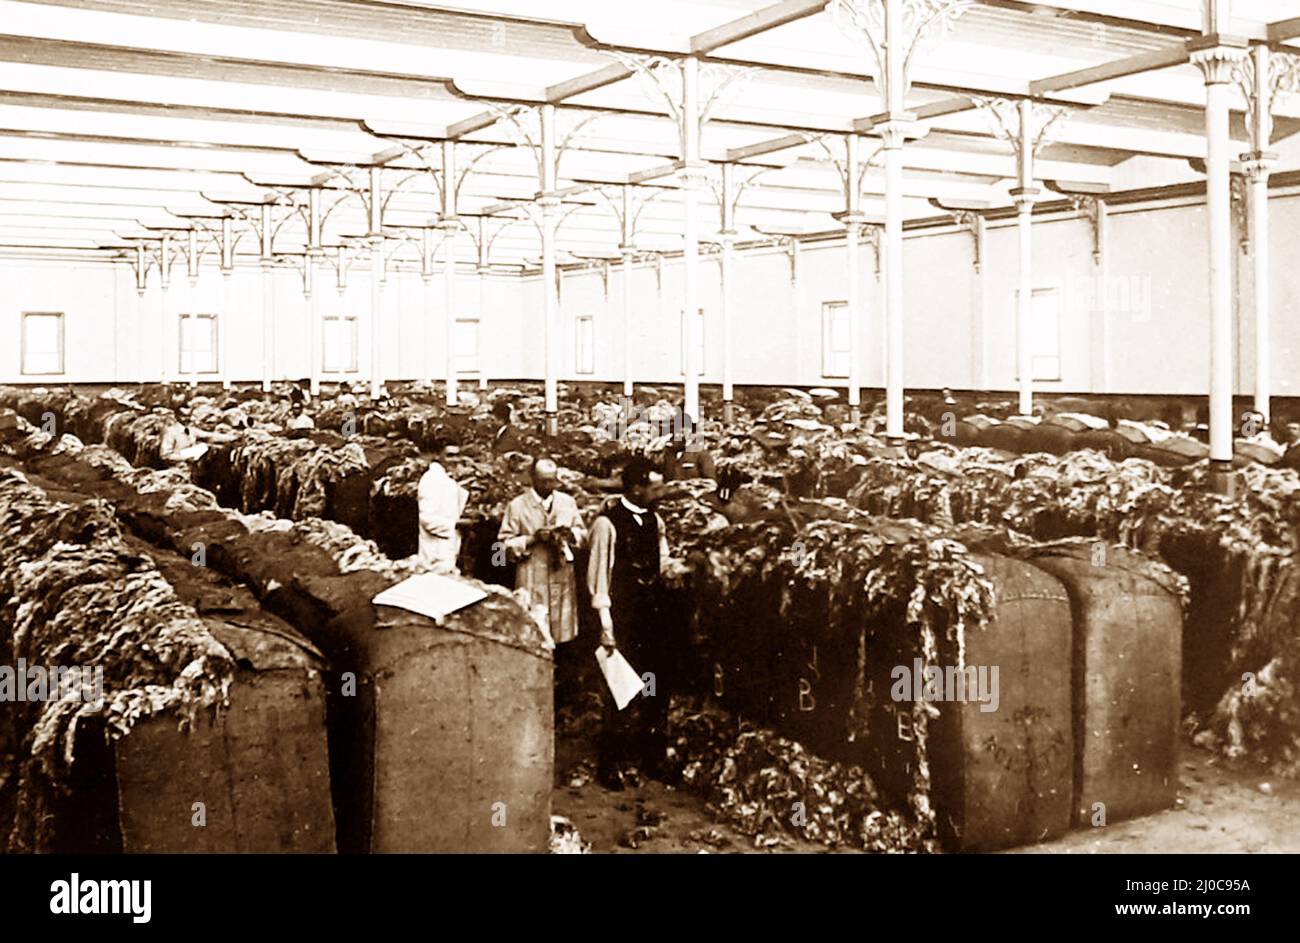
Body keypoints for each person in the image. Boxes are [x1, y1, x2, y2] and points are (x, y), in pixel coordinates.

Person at [586, 456, 671, 789]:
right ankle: (610, 763)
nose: (660, 493)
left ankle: (649, 758)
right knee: (618, 691)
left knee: (652, 685)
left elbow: (661, 561)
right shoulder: (607, 524)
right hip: (622, 617)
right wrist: (606, 626)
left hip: (651, 616)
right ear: (636, 488)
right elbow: (598, 576)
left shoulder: (654, 520)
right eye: (654, 488)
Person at [498, 457, 588, 647]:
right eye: (544, 480)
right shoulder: (517, 506)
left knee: (562, 633)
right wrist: (532, 539)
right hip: (532, 575)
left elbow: (583, 534)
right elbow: (502, 547)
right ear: (532, 478)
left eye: (552, 480)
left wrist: (569, 534)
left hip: (560, 574)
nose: (549, 485)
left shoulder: (567, 502)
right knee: (534, 630)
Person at [417, 434, 469, 574]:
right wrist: (456, 524)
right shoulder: (431, 480)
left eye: (457, 455)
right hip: (435, 551)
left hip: (447, 549)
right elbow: (426, 518)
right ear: (437, 455)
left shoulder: (447, 479)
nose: (455, 460)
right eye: (450, 455)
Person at [661, 413, 717, 482]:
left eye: (682, 431)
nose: (678, 435)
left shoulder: (701, 454)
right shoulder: (669, 454)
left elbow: (711, 482)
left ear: (690, 431)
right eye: (675, 431)